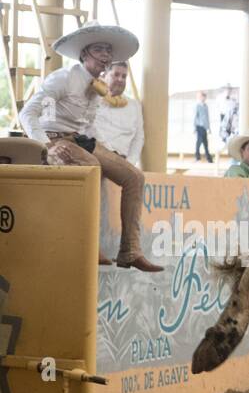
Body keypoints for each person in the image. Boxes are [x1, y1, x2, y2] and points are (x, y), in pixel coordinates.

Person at [19, 21, 160, 272]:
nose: (106, 56)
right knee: (92, 167)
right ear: (84, 54)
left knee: (134, 176)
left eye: (108, 51)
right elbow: (29, 113)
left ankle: (130, 250)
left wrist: (108, 151)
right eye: (99, 49)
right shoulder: (63, 79)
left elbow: (88, 127)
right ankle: (86, 245)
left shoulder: (99, 88)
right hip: (55, 138)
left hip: (81, 141)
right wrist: (46, 146)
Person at [89, 61, 144, 167]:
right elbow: (90, 129)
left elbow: (138, 138)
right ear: (104, 75)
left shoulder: (134, 105)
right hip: (96, 159)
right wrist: (111, 155)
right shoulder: (92, 99)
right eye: (116, 74)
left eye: (124, 76)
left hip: (123, 164)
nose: (120, 79)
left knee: (139, 179)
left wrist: (130, 163)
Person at [193, 90, 214, 162]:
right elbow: (195, 117)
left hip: (204, 127)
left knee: (203, 142)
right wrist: (194, 128)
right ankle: (204, 157)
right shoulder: (197, 106)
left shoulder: (205, 106)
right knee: (201, 142)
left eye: (205, 97)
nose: (204, 98)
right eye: (203, 97)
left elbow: (207, 117)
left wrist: (209, 128)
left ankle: (202, 157)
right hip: (199, 126)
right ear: (201, 97)